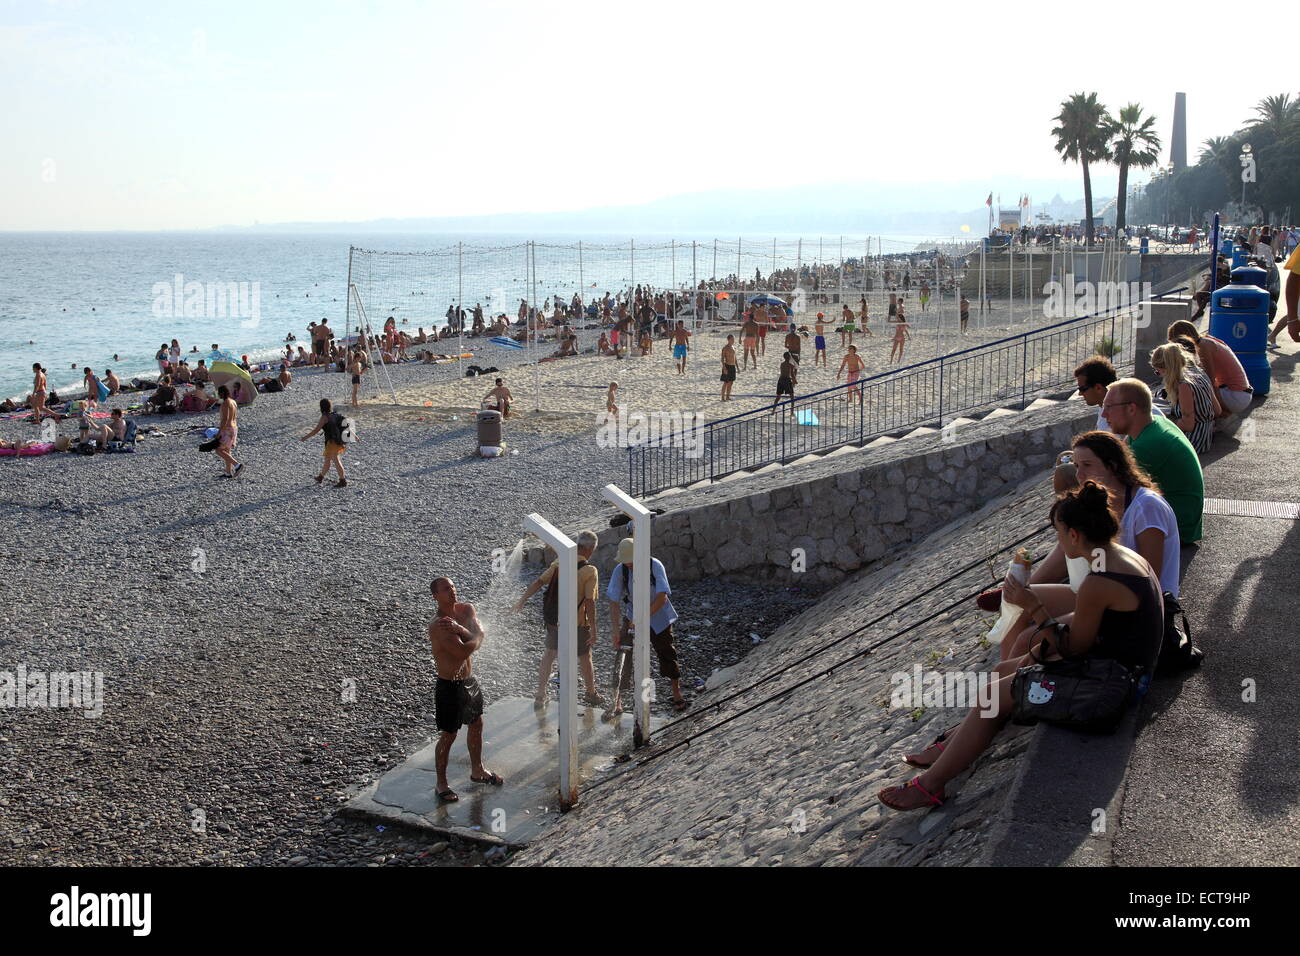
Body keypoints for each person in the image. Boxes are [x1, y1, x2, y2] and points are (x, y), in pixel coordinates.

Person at [879, 482, 1163, 810]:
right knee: (1005, 669)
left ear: (1073, 535)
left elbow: (1074, 649)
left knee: (994, 694)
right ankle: (955, 746)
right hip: (1121, 664)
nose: (1057, 540)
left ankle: (930, 786)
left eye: (1058, 532)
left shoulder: (1099, 582)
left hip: (1114, 686)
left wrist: (1034, 605)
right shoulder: (1121, 557)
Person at [1101, 378, 1203, 545]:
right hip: (1180, 520)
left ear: (1131, 408)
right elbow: (1120, 454)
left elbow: (1113, 492)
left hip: (1176, 529)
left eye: (1108, 407)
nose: (1104, 414)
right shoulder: (1152, 424)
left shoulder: (1149, 445)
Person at [428, 576, 502, 803]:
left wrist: (463, 630)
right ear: (435, 596)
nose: (451, 591)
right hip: (449, 684)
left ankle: (477, 770)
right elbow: (462, 652)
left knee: (477, 723)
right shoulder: (439, 625)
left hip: (468, 680)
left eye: (452, 587)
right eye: (445, 589)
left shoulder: (466, 610)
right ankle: (441, 783)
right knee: (449, 734)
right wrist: (473, 637)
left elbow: (478, 638)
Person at [513, 530, 606, 708]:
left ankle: (540, 694)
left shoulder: (559, 563)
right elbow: (589, 602)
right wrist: (594, 628)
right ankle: (590, 692)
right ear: (590, 549)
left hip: (555, 620)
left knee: (549, 653)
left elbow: (539, 582)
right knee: (585, 656)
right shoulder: (589, 571)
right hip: (577, 623)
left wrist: (522, 601)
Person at [606, 536, 688, 713]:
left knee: (666, 652)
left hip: (658, 616)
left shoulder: (655, 565)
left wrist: (643, 618)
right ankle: (616, 701)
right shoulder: (621, 570)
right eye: (625, 561)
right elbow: (613, 600)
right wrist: (615, 630)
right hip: (632, 615)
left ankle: (676, 693)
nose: (629, 564)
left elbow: (662, 597)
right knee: (623, 654)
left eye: (631, 561)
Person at [1167, 320, 1253, 418]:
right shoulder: (1206, 340)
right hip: (1241, 393)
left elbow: (1209, 380)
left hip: (1235, 396)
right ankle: (1221, 415)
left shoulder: (1203, 347)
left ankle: (1219, 417)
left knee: (1193, 389)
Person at [1150, 343, 1216, 454]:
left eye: (1158, 372)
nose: (1159, 375)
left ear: (1166, 369)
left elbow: (1188, 425)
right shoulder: (1198, 377)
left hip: (1194, 439)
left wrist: (1167, 422)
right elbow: (1217, 410)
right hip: (1205, 434)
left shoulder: (1183, 386)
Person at [301, 398, 352, 486]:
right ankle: (321, 477)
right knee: (328, 459)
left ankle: (342, 480)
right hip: (336, 440)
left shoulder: (324, 417)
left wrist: (305, 437)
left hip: (333, 441)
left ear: (321, 407)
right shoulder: (334, 415)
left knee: (336, 460)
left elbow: (316, 430)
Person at [215, 384, 241, 478]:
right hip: (234, 428)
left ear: (222, 393)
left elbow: (224, 420)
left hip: (228, 429)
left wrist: (219, 433)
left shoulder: (226, 403)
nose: (218, 395)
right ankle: (228, 472)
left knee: (218, 450)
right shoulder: (233, 402)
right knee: (227, 450)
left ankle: (237, 465)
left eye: (219, 393)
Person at [773, 350, 797, 415]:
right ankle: (791, 412)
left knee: (778, 397)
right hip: (787, 380)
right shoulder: (790, 365)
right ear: (789, 357)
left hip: (781, 380)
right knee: (792, 397)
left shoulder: (782, 364)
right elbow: (791, 374)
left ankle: (773, 411)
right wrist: (794, 380)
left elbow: (784, 372)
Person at [720, 335, 737, 401]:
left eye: (734, 339)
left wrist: (737, 367)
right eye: (732, 339)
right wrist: (724, 368)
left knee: (731, 382)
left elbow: (735, 357)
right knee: (726, 382)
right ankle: (722, 397)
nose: (733, 341)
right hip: (727, 366)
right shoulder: (725, 348)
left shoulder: (733, 347)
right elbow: (722, 358)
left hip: (733, 366)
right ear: (728, 340)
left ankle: (728, 396)